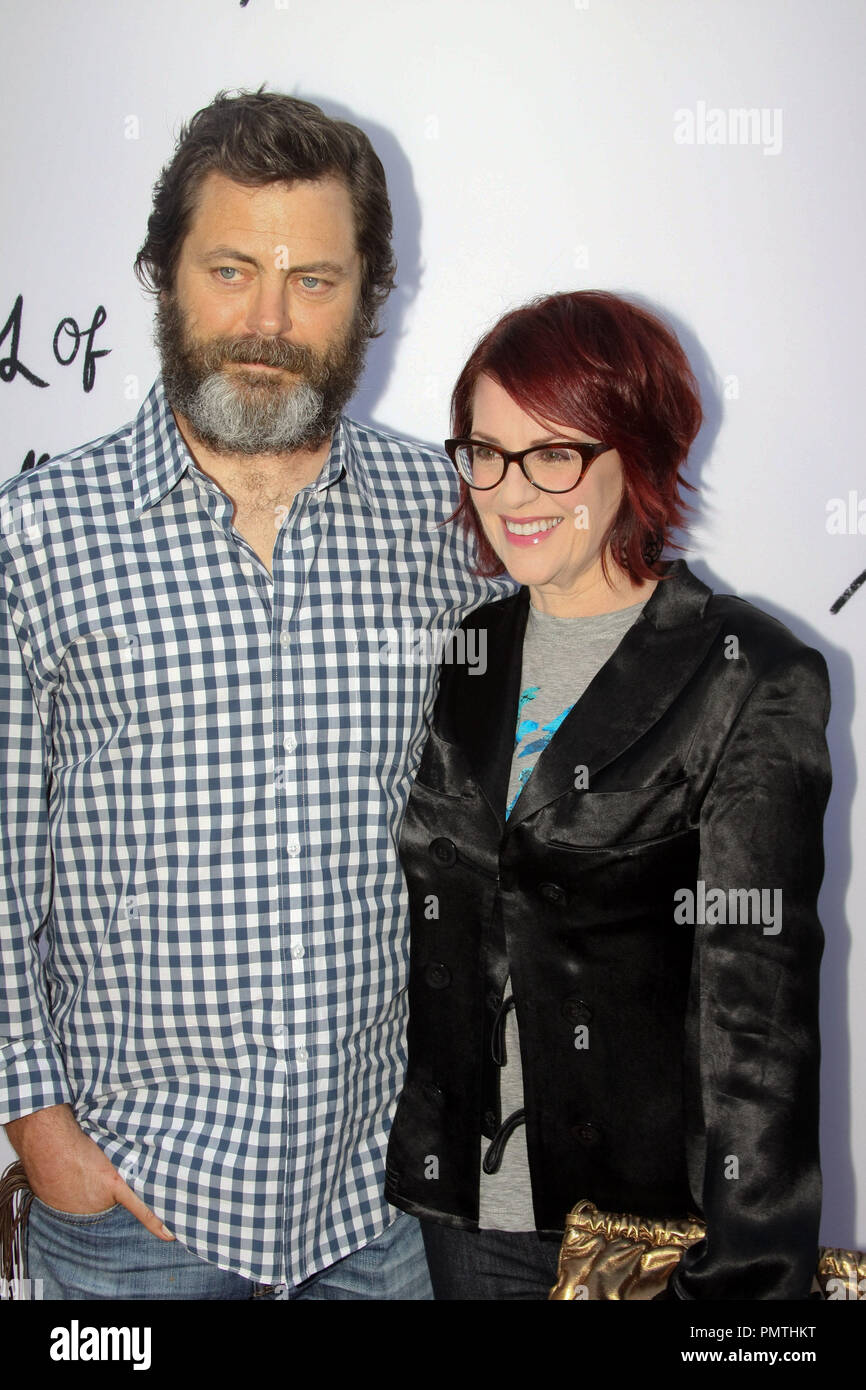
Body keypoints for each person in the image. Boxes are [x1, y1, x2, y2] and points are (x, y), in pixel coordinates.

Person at [0, 89, 514, 1300]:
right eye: (230, 268)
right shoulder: (35, 539)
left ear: (371, 297)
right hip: (130, 1211)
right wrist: (36, 1126)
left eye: (316, 280)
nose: (268, 320)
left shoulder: (448, 521)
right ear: (162, 273)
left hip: (381, 1209)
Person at [384, 290, 831, 1300]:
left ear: (637, 450)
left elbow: (755, 1025)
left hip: (637, 1240)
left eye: (555, 453)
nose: (511, 490)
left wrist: (744, 1287)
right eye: (484, 453)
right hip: (461, 1211)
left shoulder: (742, 672)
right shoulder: (466, 652)